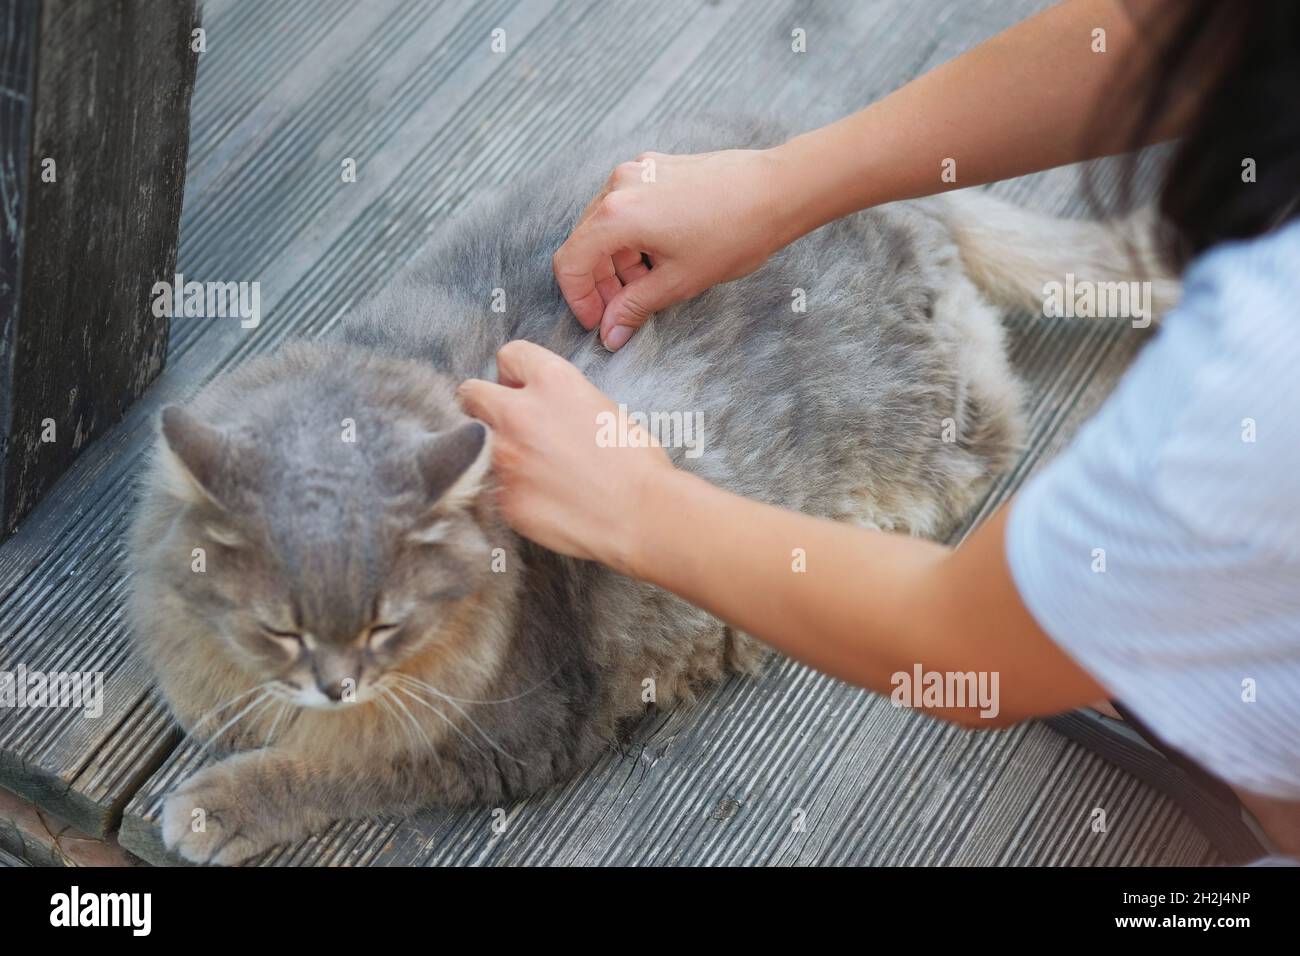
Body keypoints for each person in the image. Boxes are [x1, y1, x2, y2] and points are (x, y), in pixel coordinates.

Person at [457, 0, 1300, 859]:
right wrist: (783, 184)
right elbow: (1170, 27)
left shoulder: (1257, 381)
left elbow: (974, 648)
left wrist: (631, 503)